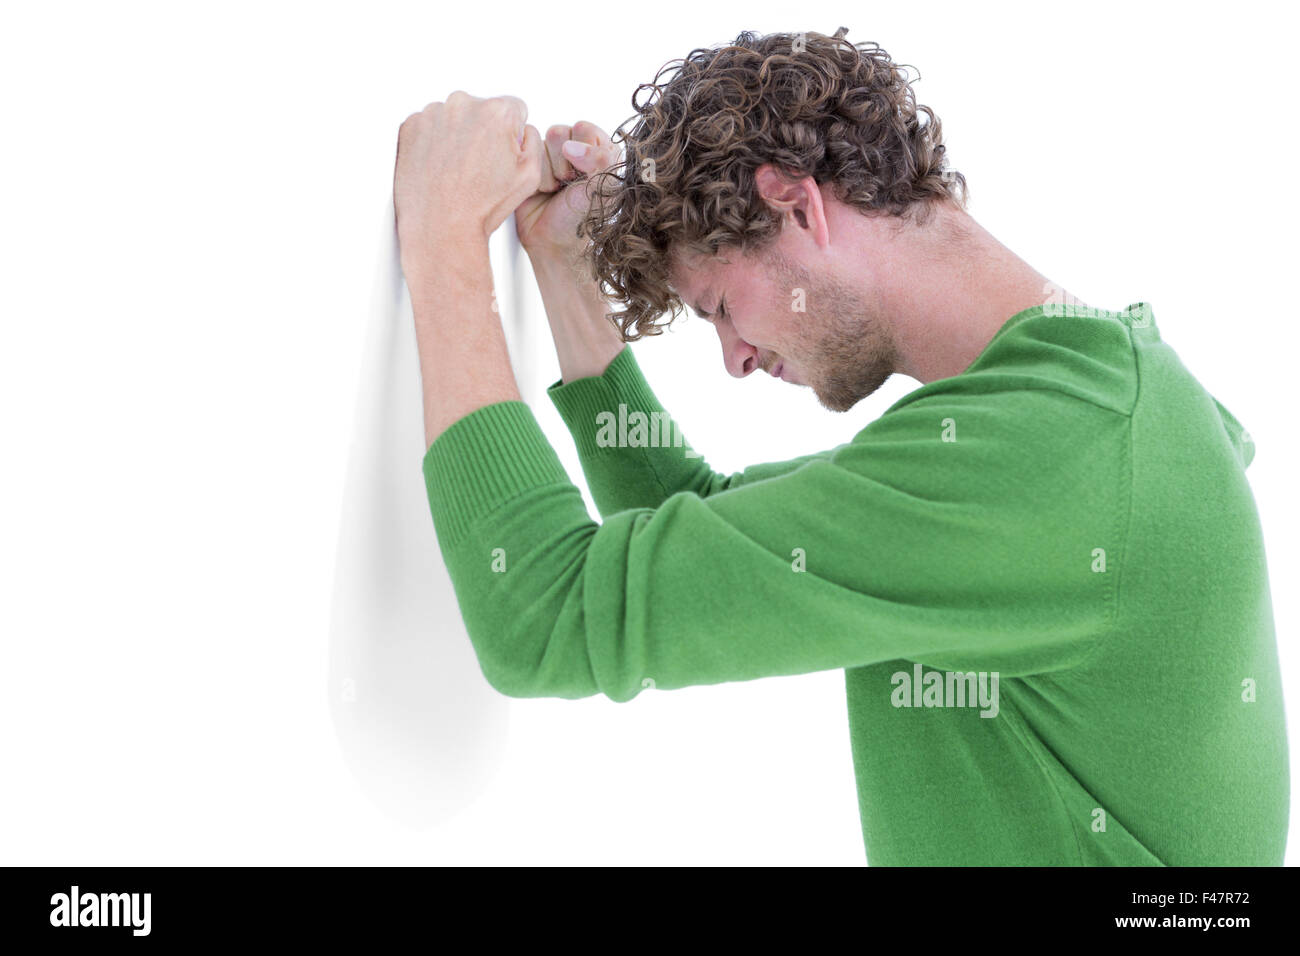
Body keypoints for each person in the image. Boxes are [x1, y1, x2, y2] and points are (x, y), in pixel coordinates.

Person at [391, 28, 1287, 865]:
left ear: (795, 203)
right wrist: (563, 268)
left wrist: (444, 244)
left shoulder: (1047, 463)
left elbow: (541, 617)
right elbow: (697, 521)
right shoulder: (1090, 398)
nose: (737, 359)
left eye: (718, 309)